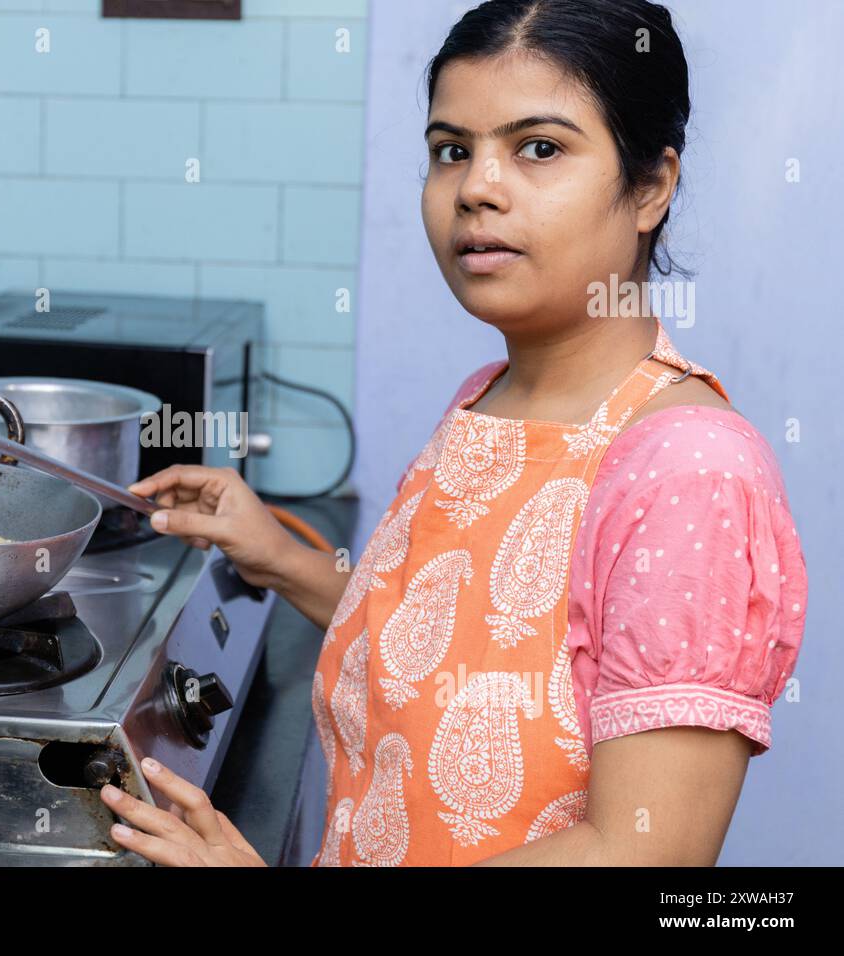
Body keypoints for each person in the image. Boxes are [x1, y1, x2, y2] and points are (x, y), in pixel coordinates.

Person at [98, 0, 808, 867]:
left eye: (539, 148)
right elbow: (462, 651)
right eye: (451, 151)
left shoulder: (689, 468)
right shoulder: (488, 398)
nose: (477, 186)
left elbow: (640, 854)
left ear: (651, 186)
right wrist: (278, 557)